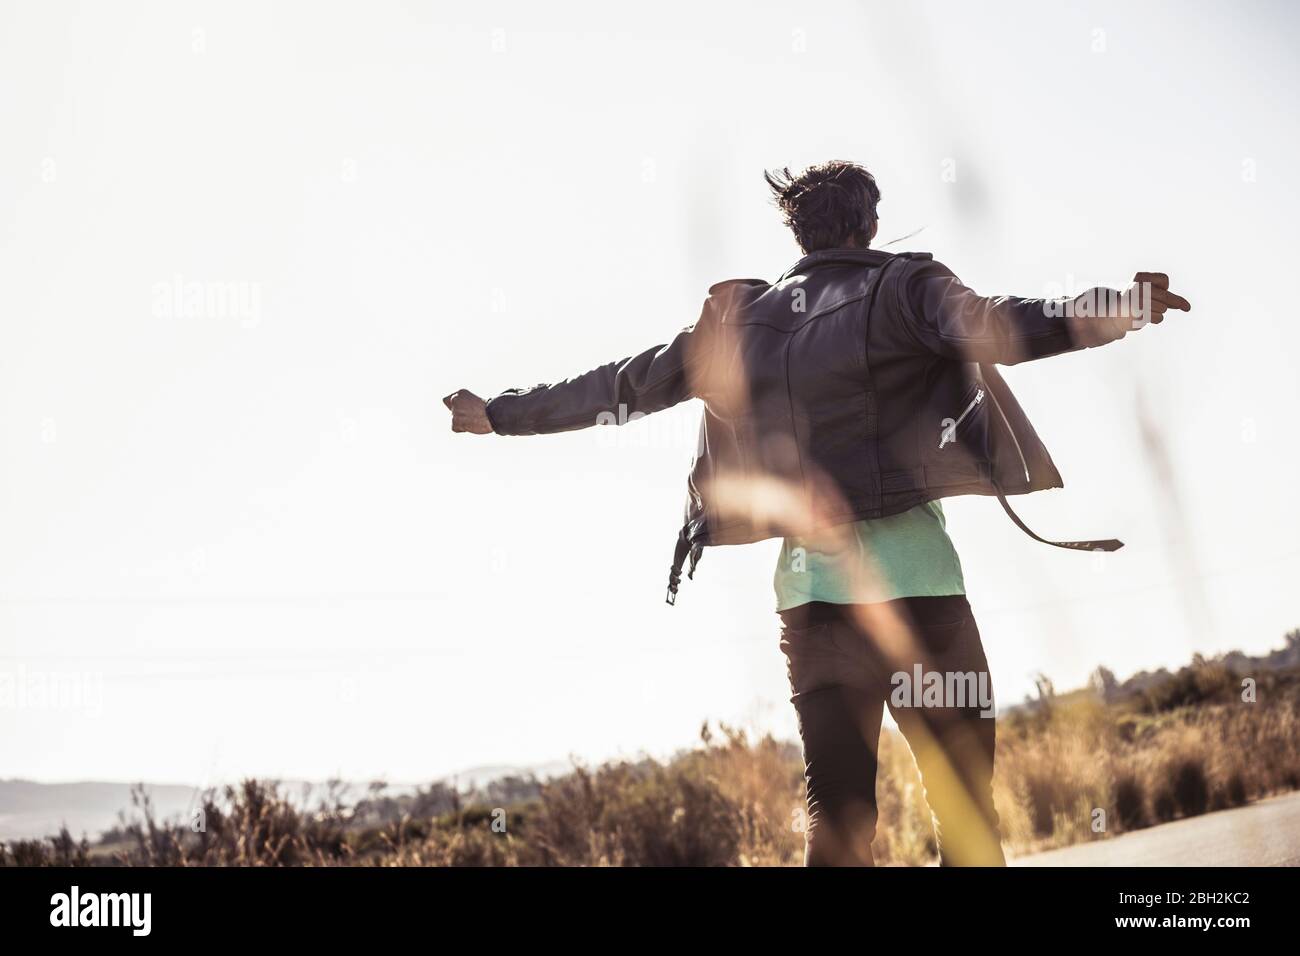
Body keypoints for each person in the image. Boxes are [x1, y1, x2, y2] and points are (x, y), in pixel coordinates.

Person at [443, 160, 1190, 866]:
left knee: (838, 822)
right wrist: (1119, 306)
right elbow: (1003, 324)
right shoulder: (907, 289)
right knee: (963, 812)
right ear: (869, 223)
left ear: (797, 235)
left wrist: (499, 414)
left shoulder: (738, 325)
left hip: (815, 605)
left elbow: (621, 385)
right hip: (921, 594)